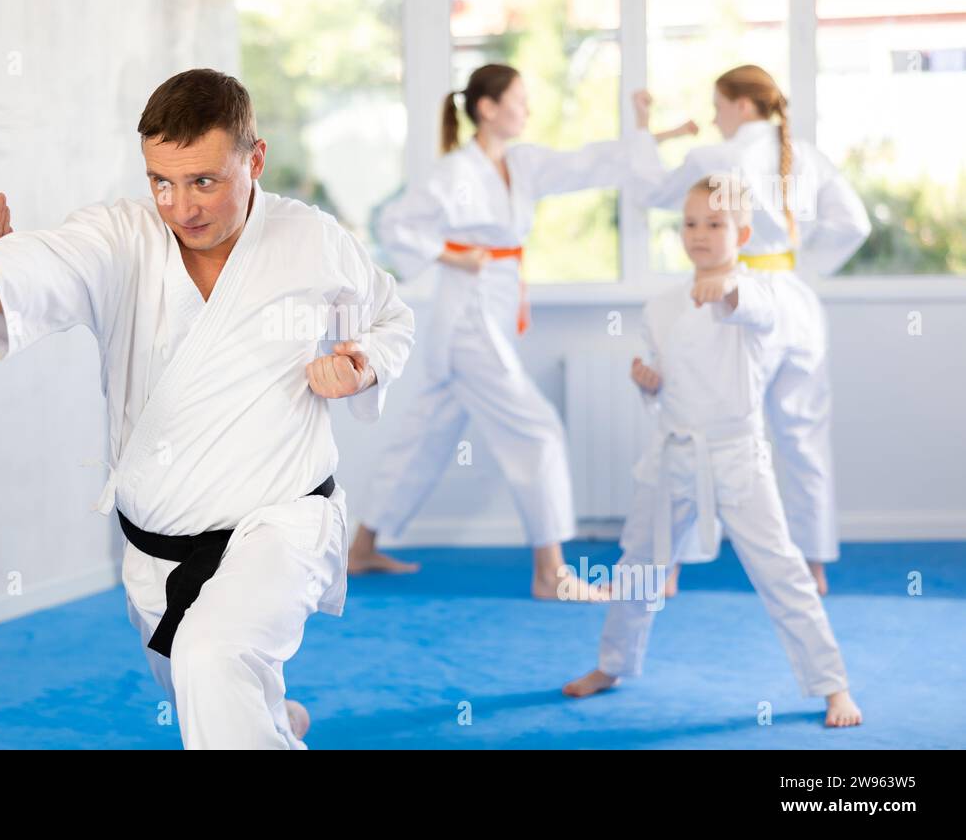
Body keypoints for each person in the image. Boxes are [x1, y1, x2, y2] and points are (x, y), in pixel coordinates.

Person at [0, 68, 415, 749]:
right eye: (161, 181)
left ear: (254, 159)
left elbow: (390, 316)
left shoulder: (311, 240)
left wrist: (362, 363)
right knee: (207, 683)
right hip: (156, 550)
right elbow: (52, 261)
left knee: (212, 659)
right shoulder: (123, 236)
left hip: (283, 523)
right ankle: (277, 721)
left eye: (204, 181)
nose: (181, 206)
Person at [350, 63, 691, 601]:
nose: (528, 109)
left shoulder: (522, 164)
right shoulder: (455, 172)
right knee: (538, 431)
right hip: (469, 318)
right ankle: (550, 572)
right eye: (519, 99)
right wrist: (453, 255)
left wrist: (650, 132)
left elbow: (589, 162)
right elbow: (397, 225)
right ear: (487, 108)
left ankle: (361, 548)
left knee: (426, 436)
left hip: (494, 308)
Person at [561, 175, 862, 728]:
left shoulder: (762, 293)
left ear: (743, 233)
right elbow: (664, 386)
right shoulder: (661, 305)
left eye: (715, 224)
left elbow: (758, 314)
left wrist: (728, 292)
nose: (699, 235)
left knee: (781, 569)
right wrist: (648, 385)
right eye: (690, 224)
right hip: (674, 450)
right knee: (637, 567)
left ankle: (832, 685)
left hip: (737, 457)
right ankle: (612, 665)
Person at [636, 65, 871, 596]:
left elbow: (650, 192)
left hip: (737, 297)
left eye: (718, 108)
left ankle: (667, 564)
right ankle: (812, 565)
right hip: (795, 296)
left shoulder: (714, 159)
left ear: (742, 105)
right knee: (803, 436)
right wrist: (805, 263)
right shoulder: (806, 156)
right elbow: (854, 223)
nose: (715, 120)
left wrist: (643, 128)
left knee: (699, 422)